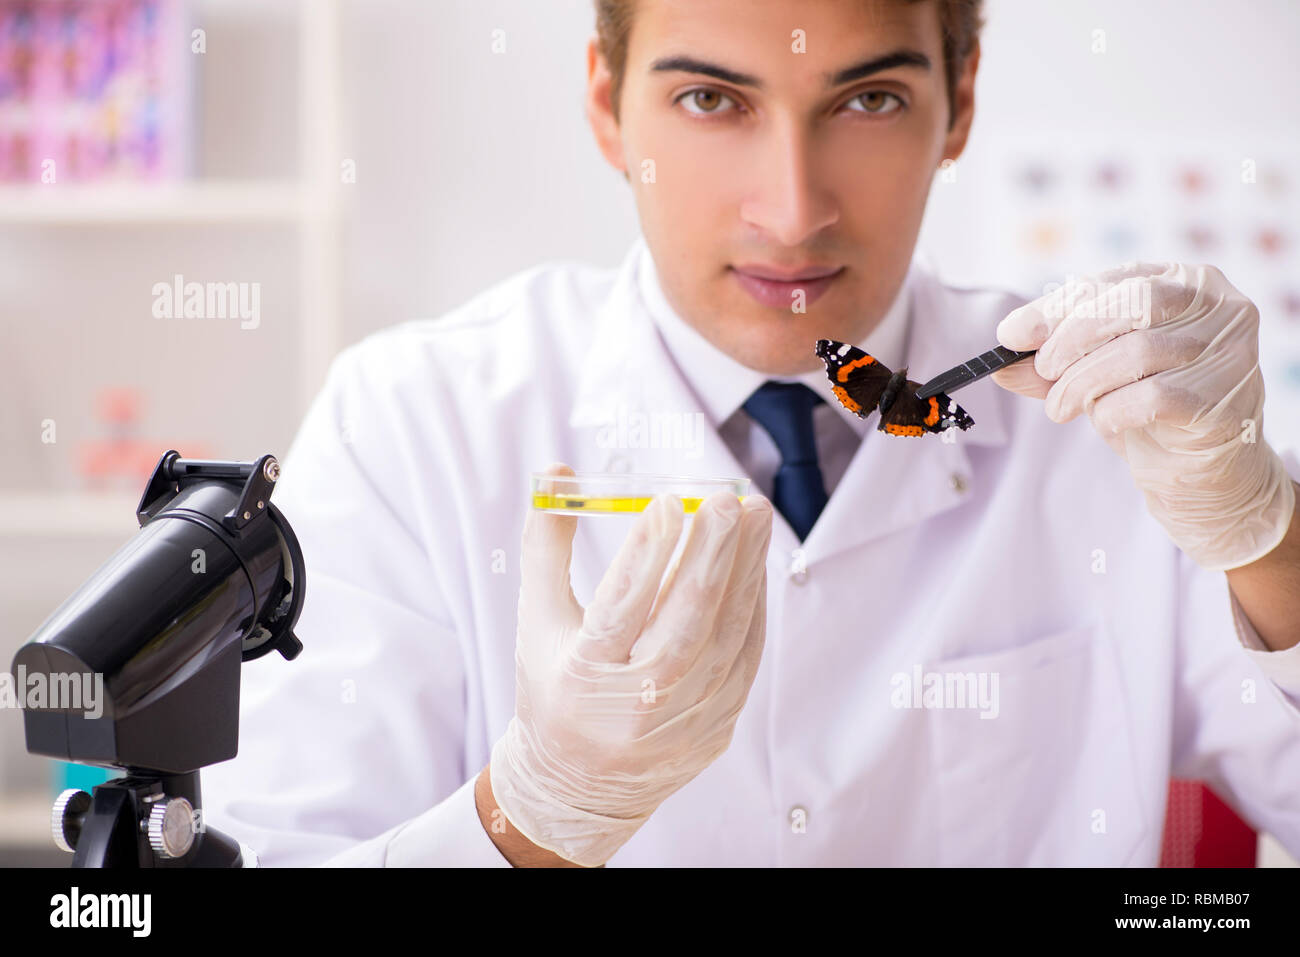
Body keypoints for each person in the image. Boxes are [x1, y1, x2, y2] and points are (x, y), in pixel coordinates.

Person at [201, 0, 1300, 867]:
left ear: (958, 102)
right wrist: (534, 817)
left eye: (866, 99)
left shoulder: (1119, 421)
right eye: (712, 101)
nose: (792, 210)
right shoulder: (414, 424)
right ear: (605, 102)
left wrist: (1264, 529)